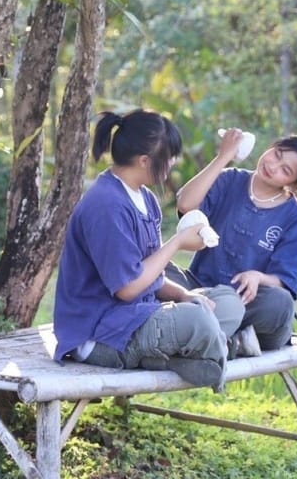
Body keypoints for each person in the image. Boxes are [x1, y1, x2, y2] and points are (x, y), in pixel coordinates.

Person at [53, 109, 241, 391]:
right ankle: (211, 349)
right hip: (101, 334)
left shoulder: (146, 199)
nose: (173, 163)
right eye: (170, 157)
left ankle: (180, 355)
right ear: (144, 160)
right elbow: (128, 288)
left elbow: (150, 274)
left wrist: (183, 294)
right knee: (197, 319)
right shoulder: (107, 205)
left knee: (226, 302)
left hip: (139, 315)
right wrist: (177, 242)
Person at [170, 128, 297, 355]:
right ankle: (223, 339)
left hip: (247, 305)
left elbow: (285, 280)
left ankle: (216, 335)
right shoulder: (229, 179)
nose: (273, 166)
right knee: (156, 269)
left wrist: (259, 277)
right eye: (277, 154)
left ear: (296, 184)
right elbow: (185, 204)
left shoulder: (295, 218)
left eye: (285, 170)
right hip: (200, 291)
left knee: (280, 302)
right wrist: (223, 157)